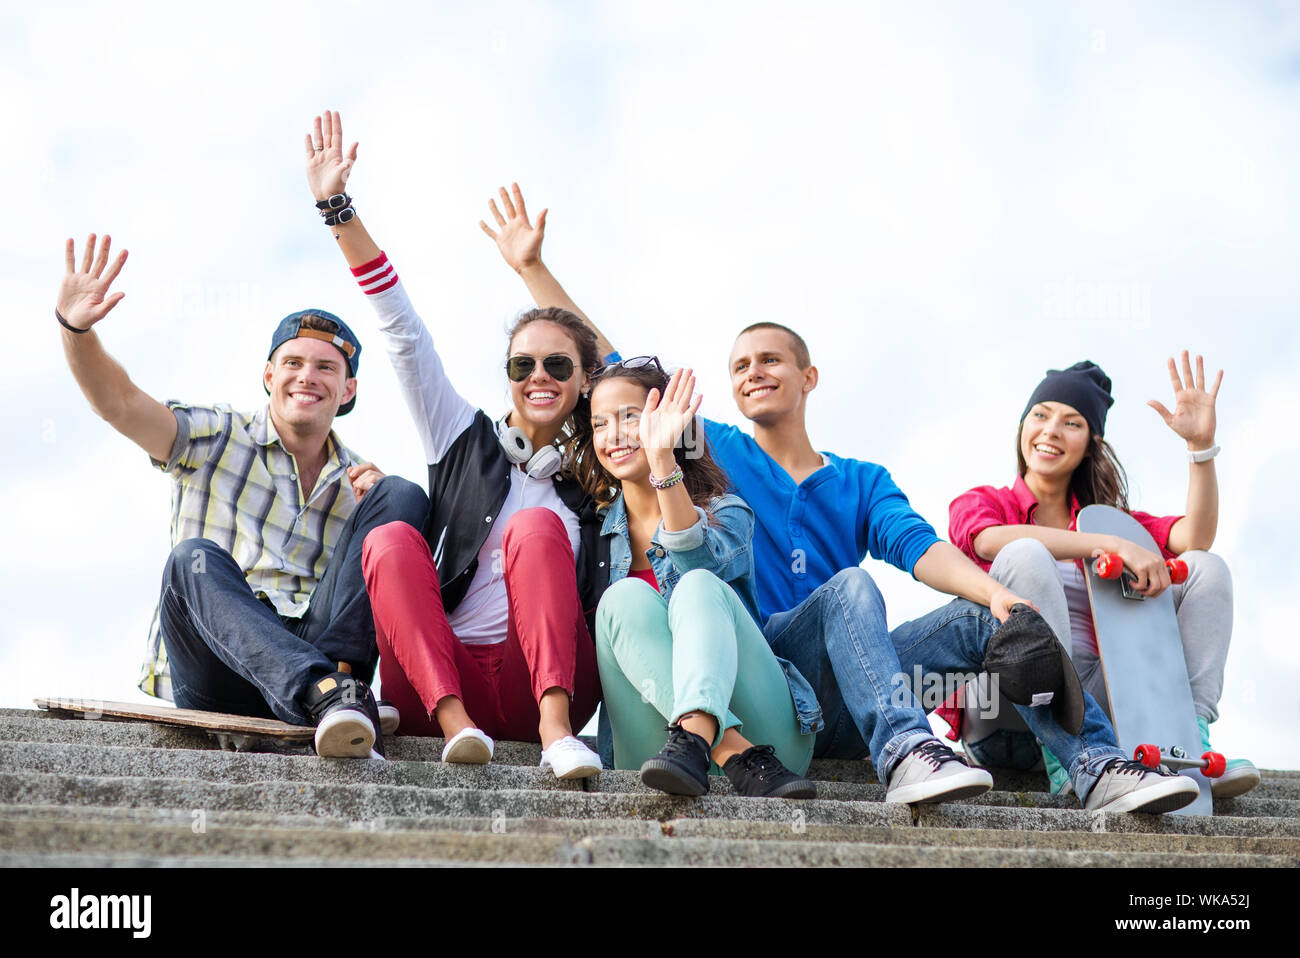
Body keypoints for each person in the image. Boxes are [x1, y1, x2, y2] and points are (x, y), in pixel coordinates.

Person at [480, 187, 1201, 813]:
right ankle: (909, 751)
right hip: (764, 665)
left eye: (769, 360)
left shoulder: (860, 479)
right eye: (738, 366)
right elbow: (625, 377)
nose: (752, 372)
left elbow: (922, 549)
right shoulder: (719, 450)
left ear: (808, 376)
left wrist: (996, 597)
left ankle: (1097, 768)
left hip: (851, 674)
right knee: (847, 588)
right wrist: (532, 270)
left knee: (989, 617)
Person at [305, 111, 605, 779]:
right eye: (523, 364)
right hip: (440, 681)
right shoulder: (462, 438)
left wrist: (532, 270)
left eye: (559, 366)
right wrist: (337, 209)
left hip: (542, 687)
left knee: (533, 529)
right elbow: (402, 331)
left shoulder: (599, 477)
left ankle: (556, 733)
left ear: (585, 382)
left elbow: (631, 378)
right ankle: (455, 727)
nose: (539, 378)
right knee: (388, 539)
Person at [56, 233, 429, 759]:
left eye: (327, 368)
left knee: (402, 497)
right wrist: (77, 329)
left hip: (316, 646)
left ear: (348, 390)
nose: (308, 376)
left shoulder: (356, 482)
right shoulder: (215, 435)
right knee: (192, 560)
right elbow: (118, 404)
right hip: (218, 669)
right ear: (269, 375)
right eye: (294, 362)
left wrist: (376, 519)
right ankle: (327, 691)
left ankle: (336, 687)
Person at [948, 358, 1258, 798]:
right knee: (1026, 554)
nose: (1051, 430)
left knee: (1207, 568)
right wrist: (1107, 546)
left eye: (1071, 422)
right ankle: (1069, 757)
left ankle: (1187, 737)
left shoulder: (1111, 524)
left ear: (1090, 444)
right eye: (1040, 415)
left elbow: (1197, 536)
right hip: (1007, 712)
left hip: (1098, 709)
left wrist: (1200, 450)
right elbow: (988, 541)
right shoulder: (985, 502)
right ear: (1023, 428)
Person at [583, 358, 818, 797]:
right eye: (600, 423)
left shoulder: (728, 512)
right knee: (622, 599)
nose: (613, 434)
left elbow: (697, 566)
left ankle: (708, 736)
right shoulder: (590, 535)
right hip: (659, 752)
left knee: (696, 585)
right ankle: (728, 748)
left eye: (630, 417)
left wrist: (661, 462)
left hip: (768, 735)